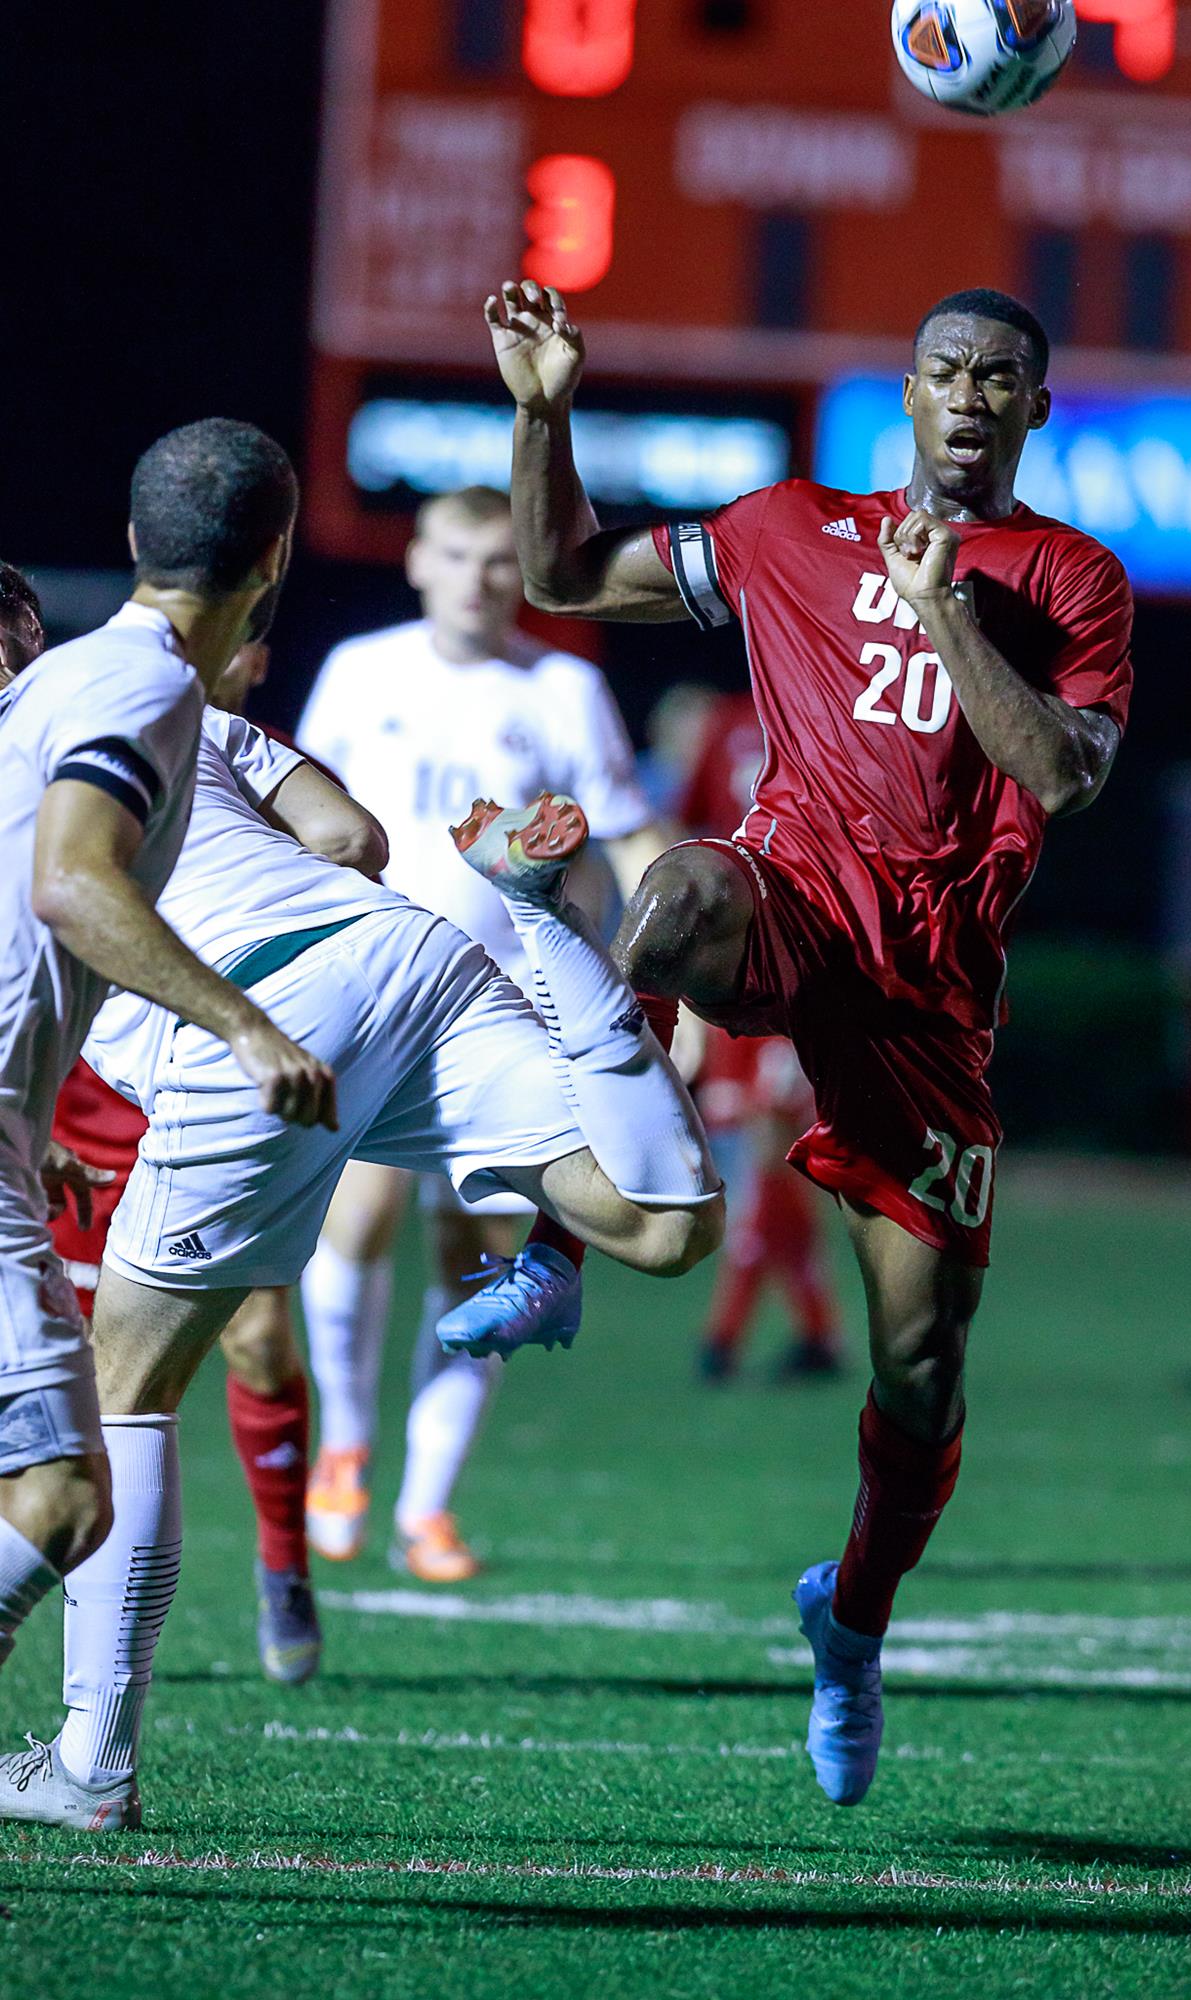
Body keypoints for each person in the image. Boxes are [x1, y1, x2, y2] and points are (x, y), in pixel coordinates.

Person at [473, 277, 1133, 1808]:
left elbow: (1060, 773)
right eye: (944, 369)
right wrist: (541, 408)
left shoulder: (1073, 582)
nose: (968, 396)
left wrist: (946, 612)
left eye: (999, 379)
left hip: (930, 1002)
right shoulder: (784, 533)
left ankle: (851, 1626)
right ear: (906, 395)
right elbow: (564, 574)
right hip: (794, 901)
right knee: (674, 895)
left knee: (918, 1367)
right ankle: (558, 1254)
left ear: (1034, 412)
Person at [0, 720, 722, 1827]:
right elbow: (352, 836)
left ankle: (93, 1761)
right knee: (662, 1222)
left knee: (125, 1391)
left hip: (247, 1027)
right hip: (407, 950)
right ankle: (544, 912)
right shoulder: (166, 700)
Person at [0, 420, 333, 1699]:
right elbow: (74, 884)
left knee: (72, 1478)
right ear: (276, 556)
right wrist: (246, 1020)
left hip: (33, 1140)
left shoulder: (97, 700)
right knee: (65, 1493)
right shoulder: (126, 689)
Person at [296, 486, 666, 1582]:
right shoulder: (363, 671)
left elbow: (627, 828)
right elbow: (298, 810)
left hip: (508, 1008)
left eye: (500, 559)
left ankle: (426, 1502)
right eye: (456, 554)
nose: (476, 577)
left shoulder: (561, 687)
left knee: (484, 1256)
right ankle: (345, 1443)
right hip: (369, 988)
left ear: (524, 572)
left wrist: (692, 942)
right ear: (417, 561)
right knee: (356, 1216)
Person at [45, 639, 373, 1686]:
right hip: (56, 1118)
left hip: (197, 1090)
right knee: (66, 1381)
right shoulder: (42, 772)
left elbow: (352, 839)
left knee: (254, 1338)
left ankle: (283, 1566)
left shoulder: (211, 746)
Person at [678, 693, 842, 1382]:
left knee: (764, 1162)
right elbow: (686, 837)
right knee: (763, 1171)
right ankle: (817, 1336)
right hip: (730, 980)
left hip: (796, 974)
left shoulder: (833, 712)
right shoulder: (727, 722)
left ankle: (722, 1339)